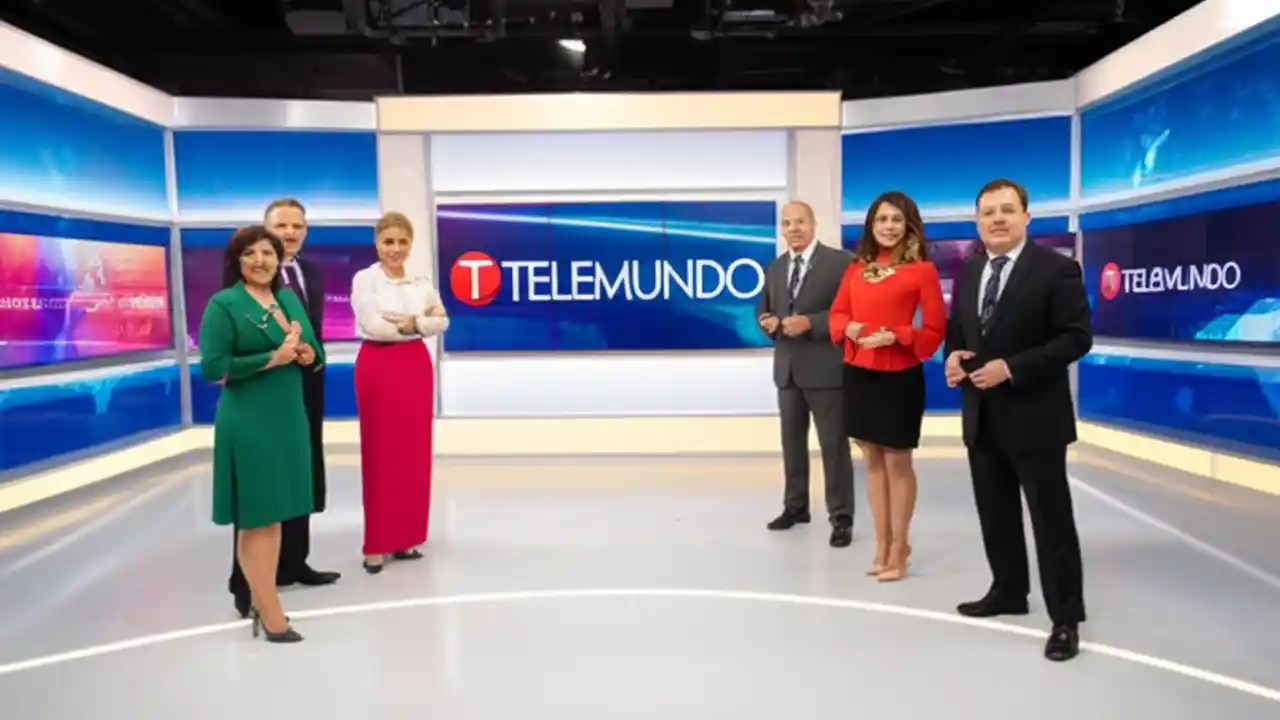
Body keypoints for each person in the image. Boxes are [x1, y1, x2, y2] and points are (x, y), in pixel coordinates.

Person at [943, 178, 1092, 661]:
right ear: (977, 221)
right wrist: (952, 358)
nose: (998, 219)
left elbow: (1076, 339)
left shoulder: (1057, 270)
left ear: (1027, 216)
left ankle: (1065, 619)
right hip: (982, 417)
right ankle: (1008, 591)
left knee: (1051, 523)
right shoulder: (969, 272)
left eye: (1007, 210)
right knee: (995, 513)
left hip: (1036, 418)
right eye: (988, 212)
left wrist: (1013, 368)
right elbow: (958, 332)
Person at [199, 226, 324, 643]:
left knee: (279, 515)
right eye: (250, 254)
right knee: (259, 519)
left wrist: (305, 353)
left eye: (268, 253)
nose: (260, 261)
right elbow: (214, 368)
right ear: (236, 261)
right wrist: (273, 357)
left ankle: (262, 598)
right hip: (249, 421)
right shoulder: (225, 304)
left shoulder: (287, 299)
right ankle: (269, 610)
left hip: (288, 418)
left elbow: (314, 353)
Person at [227, 198, 339, 618]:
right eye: (282, 225)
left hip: (307, 386)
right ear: (265, 230)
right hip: (263, 390)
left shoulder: (310, 272)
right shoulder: (246, 281)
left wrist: (314, 360)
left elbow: (315, 332)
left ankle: (293, 562)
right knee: (259, 485)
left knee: (301, 473)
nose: (291, 232)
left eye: (298, 225)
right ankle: (246, 582)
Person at [828, 191, 945, 582]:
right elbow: (838, 313)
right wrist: (850, 328)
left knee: (897, 463)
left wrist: (895, 335)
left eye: (896, 219)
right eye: (882, 220)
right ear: (871, 225)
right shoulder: (856, 268)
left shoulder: (922, 271)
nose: (889, 227)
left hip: (899, 375)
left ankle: (900, 547)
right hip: (859, 371)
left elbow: (933, 330)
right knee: (872, 463)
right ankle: (881, 544)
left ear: (908, 224)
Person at [350, 211, 449, 573]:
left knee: (413, 454)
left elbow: (442, 320)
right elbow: (374, 326)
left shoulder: (420, 280)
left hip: (414, 369)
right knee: (381, 453)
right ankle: (376, 543)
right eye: (388, 241)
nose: (395, 248)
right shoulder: (365, 279)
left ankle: (405, 537)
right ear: (377, 243)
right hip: (379, 367)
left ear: (411, 244)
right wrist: (418, 326)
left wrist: (414, 323)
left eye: (402, 242)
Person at [757, 200, 856, 547]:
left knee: (833, 446)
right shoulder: (776, 266)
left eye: (800, 221)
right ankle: (795, 506)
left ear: (814, 224)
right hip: (787, 371)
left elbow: (852, 312)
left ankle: (841, 516)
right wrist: (767, 322)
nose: (793, 229)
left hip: (826, 370)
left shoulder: (841, 262)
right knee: (791, 445)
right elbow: (763, 308)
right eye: (787, 223)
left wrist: (811, 323)